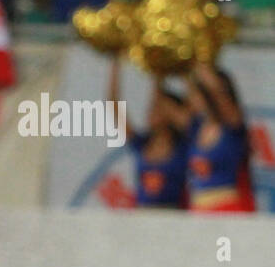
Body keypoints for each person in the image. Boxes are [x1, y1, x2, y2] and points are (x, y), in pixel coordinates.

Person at [109, 56, 189, 209]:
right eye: (151, 108)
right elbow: (113, 103)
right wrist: (116, 60)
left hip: (173, 218)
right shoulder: (141, 144)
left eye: (157, 109)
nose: (150, 112)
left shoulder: (183, 147)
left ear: (170, 114)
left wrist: (183, 67)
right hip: (142, 218)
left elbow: (191, 111)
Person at [184, 61, 255, 212]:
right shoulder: (197, 126)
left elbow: (219, 95)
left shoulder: (233, 125)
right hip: (198, 208)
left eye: (205, 94)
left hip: (226, 207)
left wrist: (202, 60)